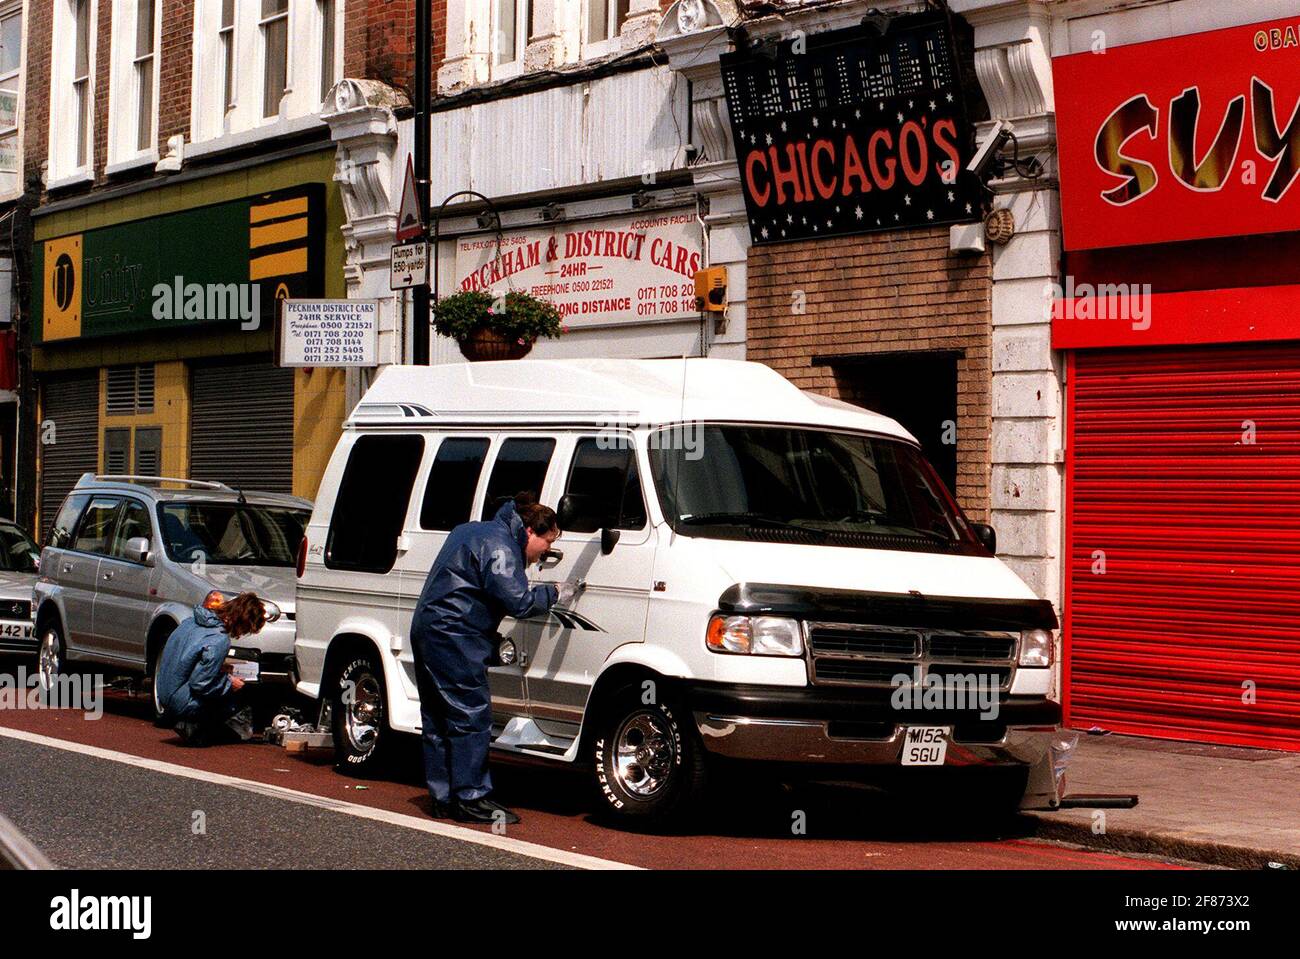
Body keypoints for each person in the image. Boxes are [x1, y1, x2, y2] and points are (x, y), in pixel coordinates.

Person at [410, 491, 581, 824]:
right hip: (455, 635)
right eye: (546, 544)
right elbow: (518, 601)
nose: (543, 555)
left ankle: (444, 797)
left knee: (437, 716)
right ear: (530, 531)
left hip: (429, 627)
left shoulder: (471, 530)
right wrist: (556, 592)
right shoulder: (501, 546)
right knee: (470, 715)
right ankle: (471, 797)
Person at [154, 592, 267, 746]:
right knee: (241, 694)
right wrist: (229, 682)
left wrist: (218, 668)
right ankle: (198, 727)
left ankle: (189, 721)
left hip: (163, 692)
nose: (240, 635)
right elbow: (200, 683)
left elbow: (187, 660)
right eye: (245, 630)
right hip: (180, 700)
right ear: (241, 622)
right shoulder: (219, 639)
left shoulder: (191, 621)